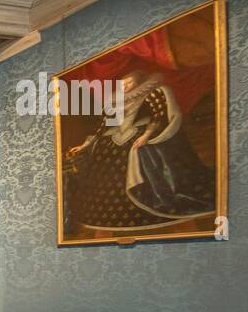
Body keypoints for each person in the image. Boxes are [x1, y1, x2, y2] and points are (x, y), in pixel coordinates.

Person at [63, 70, 214, 231]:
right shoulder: (114, 101)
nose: (125, 86)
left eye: (129, 82)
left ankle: (148, 199)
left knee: (137, 152)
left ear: (138, 82)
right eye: (122, 83)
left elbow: (158, 116)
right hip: (117, 135)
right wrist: (85, 145)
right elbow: (101, 127)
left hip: (145, 132)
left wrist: (146, 136)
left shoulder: (153, 92)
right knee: (103, 155)